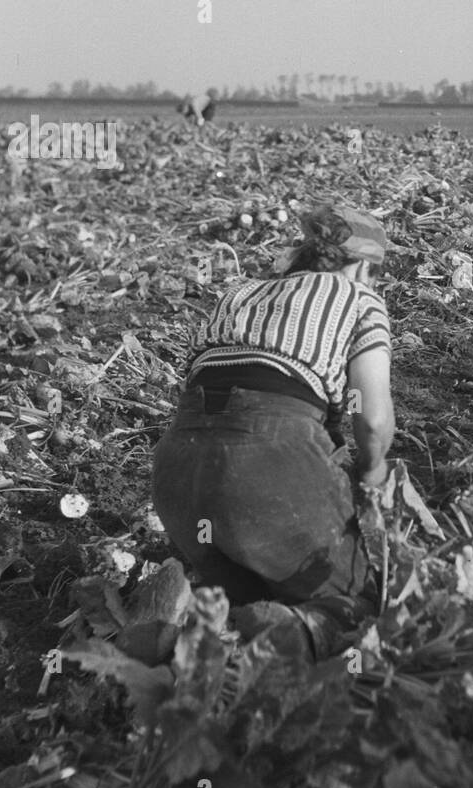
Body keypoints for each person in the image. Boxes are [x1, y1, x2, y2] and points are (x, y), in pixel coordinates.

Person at [151, 203, 395, 659]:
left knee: (231, 591)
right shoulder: (360, 300)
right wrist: (373, 474)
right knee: (364, 600)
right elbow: (374, 420)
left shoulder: (238, 295)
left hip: (177, 477)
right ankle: (286, 631)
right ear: (363, 265)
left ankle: (170, 617)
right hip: (270, 463)